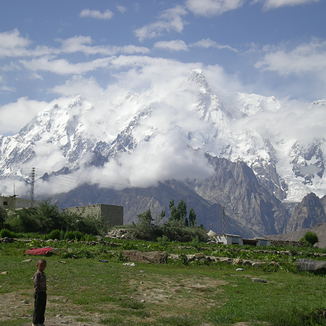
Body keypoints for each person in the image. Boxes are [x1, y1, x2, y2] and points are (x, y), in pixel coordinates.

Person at [32, 259, 47, 326]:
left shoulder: (43, 274)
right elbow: (36, 283)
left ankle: (41, 322)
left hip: (43, 292)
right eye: (41, 265)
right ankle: (35, 322)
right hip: (39, 292)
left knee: (42, 307)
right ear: (37, 265)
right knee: (37, 307)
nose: (42, 267)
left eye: (44, 266)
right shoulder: (37, 274)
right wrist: (37, 290)